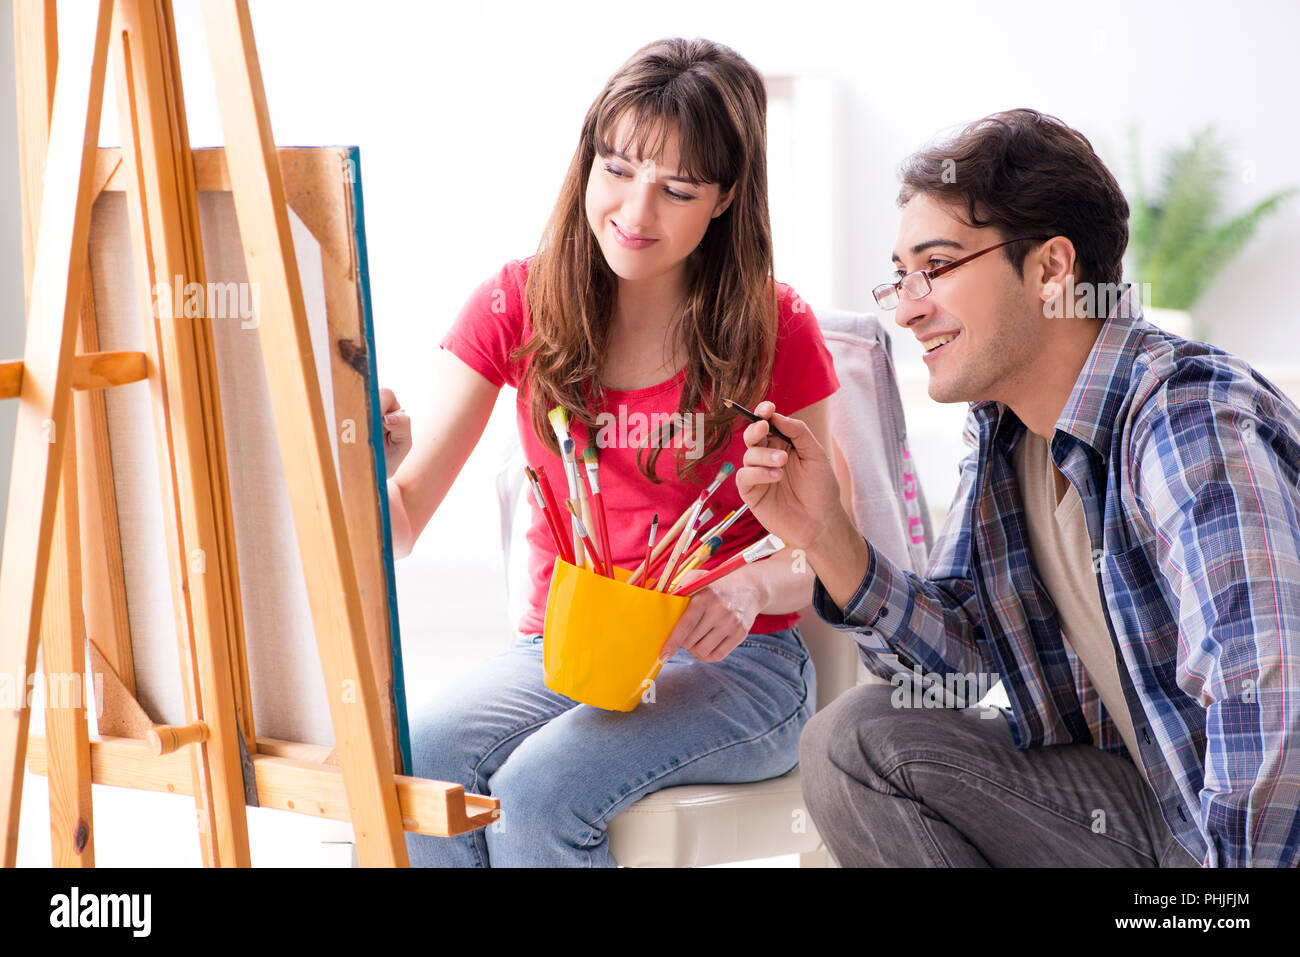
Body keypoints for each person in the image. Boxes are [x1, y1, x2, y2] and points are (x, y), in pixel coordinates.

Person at [736, 109, 1300, 867]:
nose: (907, 306)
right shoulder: (1005, 431)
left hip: (1237, 847)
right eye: (900, 276)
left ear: (1050, 269)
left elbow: (1269, 699)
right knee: (857, 742)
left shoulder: (1185, 416)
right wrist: (827, 535)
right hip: (1153, 812)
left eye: (934, 268)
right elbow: (957, 672)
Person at [382, 37, 841, 867]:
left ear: (726, 199)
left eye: (678, 188)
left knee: (537, 794)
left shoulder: (777, 327)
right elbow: (402, 523)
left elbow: (831, 546)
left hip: (741, 668)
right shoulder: (513, 303)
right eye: (618, 168)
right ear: (586, 161)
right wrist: (364, 466)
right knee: (414, 767)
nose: (636, 211)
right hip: (564, 654)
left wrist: (748, 585)